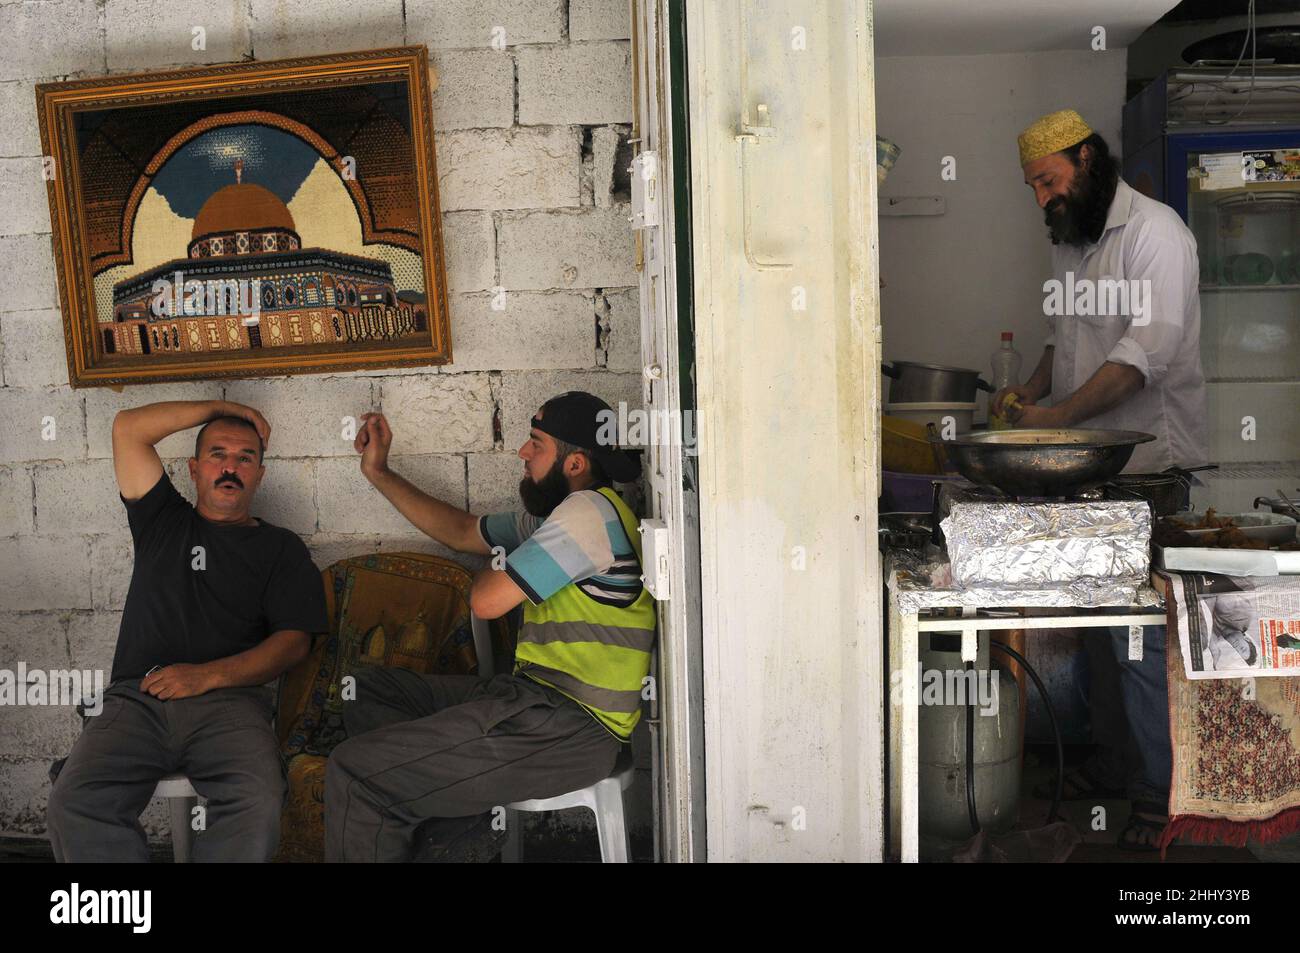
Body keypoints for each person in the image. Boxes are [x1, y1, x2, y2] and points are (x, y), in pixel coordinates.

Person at [997, 109, 1210, 850]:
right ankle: (1120, 763)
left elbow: (1139, 357)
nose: (1043, 200)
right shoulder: (1072, 244)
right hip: (1090, 466)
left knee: (1139, 636)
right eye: (1034, 189)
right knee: (1098, 631)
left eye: (1049, 182)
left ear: (1088, 161)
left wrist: (1055, 418)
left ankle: (1161, 793)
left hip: (1150, 467)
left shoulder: (1157, 237)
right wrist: (1029, 394)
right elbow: (1067, 343)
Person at [325, 391, 656, 862]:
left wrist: (510, 565)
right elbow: (463, 532)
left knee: (356, 775)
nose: (522, 452)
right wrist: (378, 472)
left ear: (576, 463)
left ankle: (426, 810)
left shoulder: (586, 517)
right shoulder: (563, 516)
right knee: (367, 690)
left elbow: (485, 601)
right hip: (529, 701)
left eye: (536, 444)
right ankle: (459, 822)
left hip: (570, 726)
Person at [46, 400, 328, 862]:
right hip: (138, 699)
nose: (230, 467)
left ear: (260, 475)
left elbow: (293, 642)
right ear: (194, 470)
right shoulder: (162, 521)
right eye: (218, 454)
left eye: (245, 458)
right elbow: (129, 428)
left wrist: (205, 676)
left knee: (257, 801)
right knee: (76, 800)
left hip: (231, 706)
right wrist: (220, 406)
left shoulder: (280, 548)